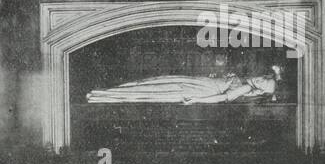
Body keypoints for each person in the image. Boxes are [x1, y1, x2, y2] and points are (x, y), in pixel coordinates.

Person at [87, 66, 281, 105]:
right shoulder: (244, 79)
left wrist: (195, 99)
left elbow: (221, 98)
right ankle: (101, 93)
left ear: (260, 91)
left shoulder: (245, 88)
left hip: (195, 90)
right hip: (194, 82)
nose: (261, 81)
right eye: (265, 78)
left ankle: (100, 95)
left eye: (264, 85)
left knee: (149, 91)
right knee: (150, 83)